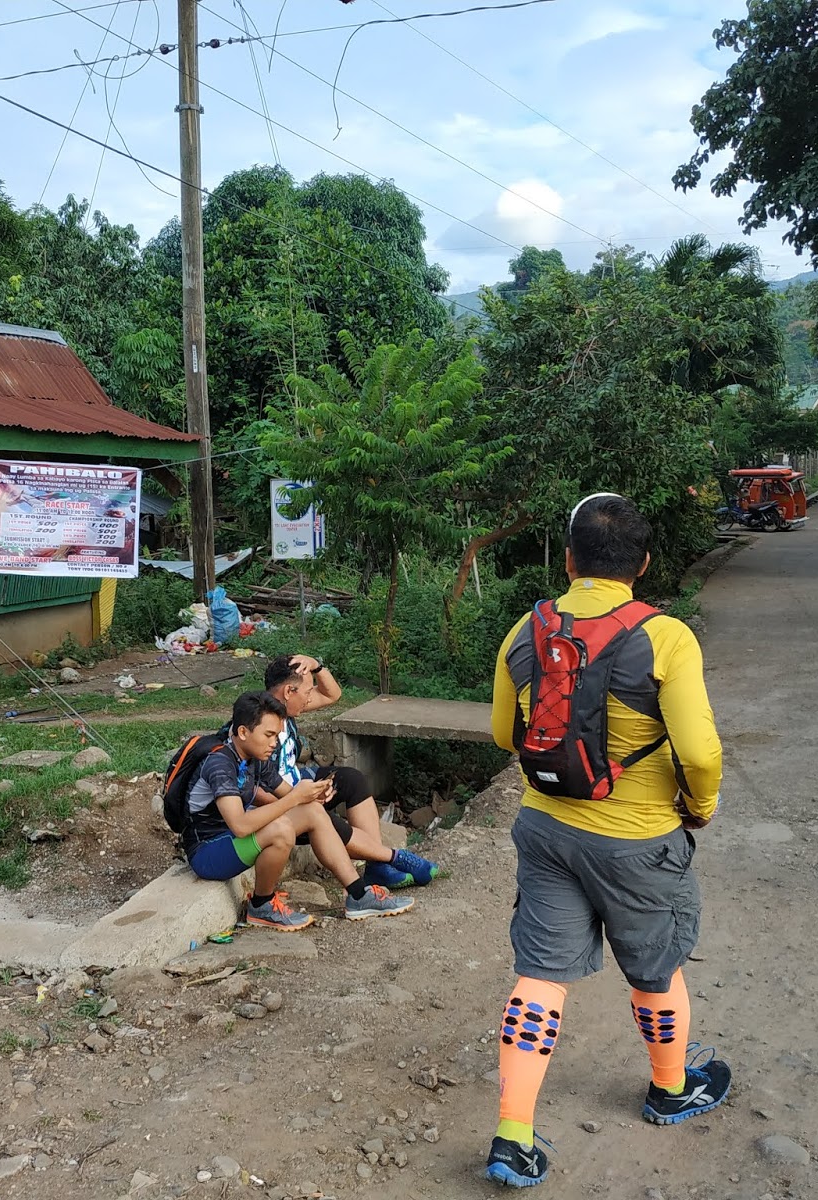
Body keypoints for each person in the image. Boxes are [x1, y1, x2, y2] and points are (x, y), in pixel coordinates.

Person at [484, 493, 728, 1189]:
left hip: (546, 828)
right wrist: (699, 807)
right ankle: (670, 1086)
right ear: (643, 565)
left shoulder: (522, 632)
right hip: (638, 839)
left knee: (540, 975)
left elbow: (507, 736)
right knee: (655, 970)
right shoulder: (666, 638)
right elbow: (701, 754)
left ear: (568, 561)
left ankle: (513, 1135)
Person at [181, 691, 414, 929]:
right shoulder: (219, 764)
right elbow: (240, 825)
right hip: (208, 851)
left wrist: (315, 794)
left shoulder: (256, 758)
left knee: (312, 811)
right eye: (269, 735)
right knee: (281, 829)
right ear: (243, 732)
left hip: (232, 841)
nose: (274, 743)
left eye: (276, 735)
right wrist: (294, 798)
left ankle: (358, 895)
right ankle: (262, 905)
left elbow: (288, 795)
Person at [261, 654, 438, 889]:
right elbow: (257, 784)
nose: (309, 698)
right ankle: (390, 857)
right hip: (275, 803)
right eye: (306, 692)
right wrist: (301, 797)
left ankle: (377, 868)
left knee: (351, 779)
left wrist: (317, 665)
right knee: (325, 819)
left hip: (294, 785)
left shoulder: (285, 709)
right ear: (288, 692)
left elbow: (332, 694)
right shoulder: (260, 725)